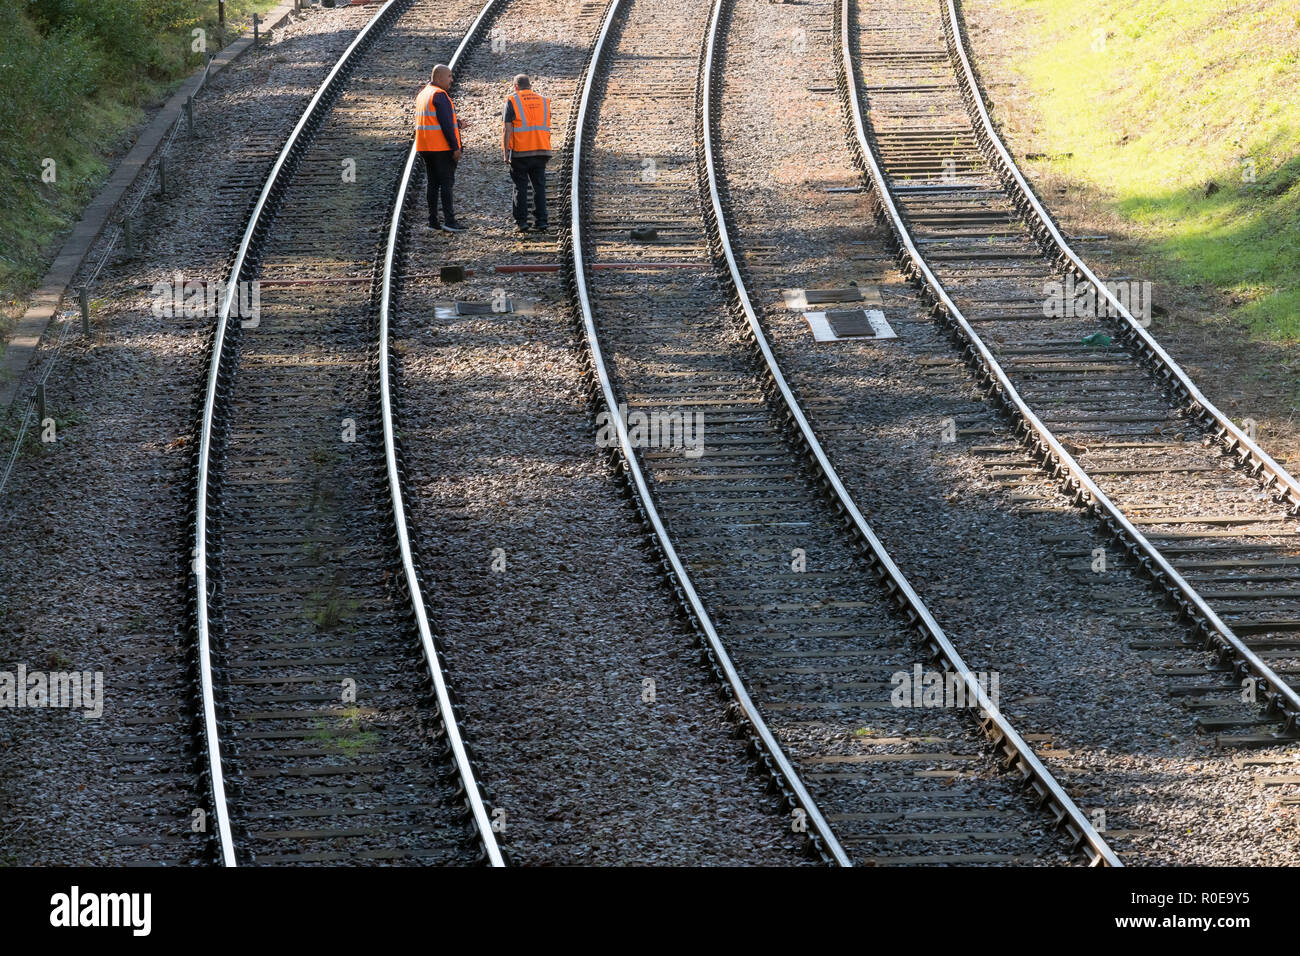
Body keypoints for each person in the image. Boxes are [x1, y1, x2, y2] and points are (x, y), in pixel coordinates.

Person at [415, 64, 468, 232]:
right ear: (438, 78)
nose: (452, 80)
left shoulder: (423, 94)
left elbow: (434, 120)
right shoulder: (440, 95)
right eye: (449, 76)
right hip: (441, 148)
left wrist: (458, 124)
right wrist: (455, 147)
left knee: (433, 184)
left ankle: (433, 221)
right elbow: (445, 124)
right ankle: (449, 221)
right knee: (446, 183)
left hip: (425, 147)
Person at [501, 74, 551, 233]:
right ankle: (541, 221)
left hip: (521, 152)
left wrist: (505, 151)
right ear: (530, 86)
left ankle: (522, 222)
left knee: (520, 187)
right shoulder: (543, 100)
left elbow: (506, 129)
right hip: (541, 149)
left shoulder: (512, 100)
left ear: (515, 86)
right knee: (539, 186)